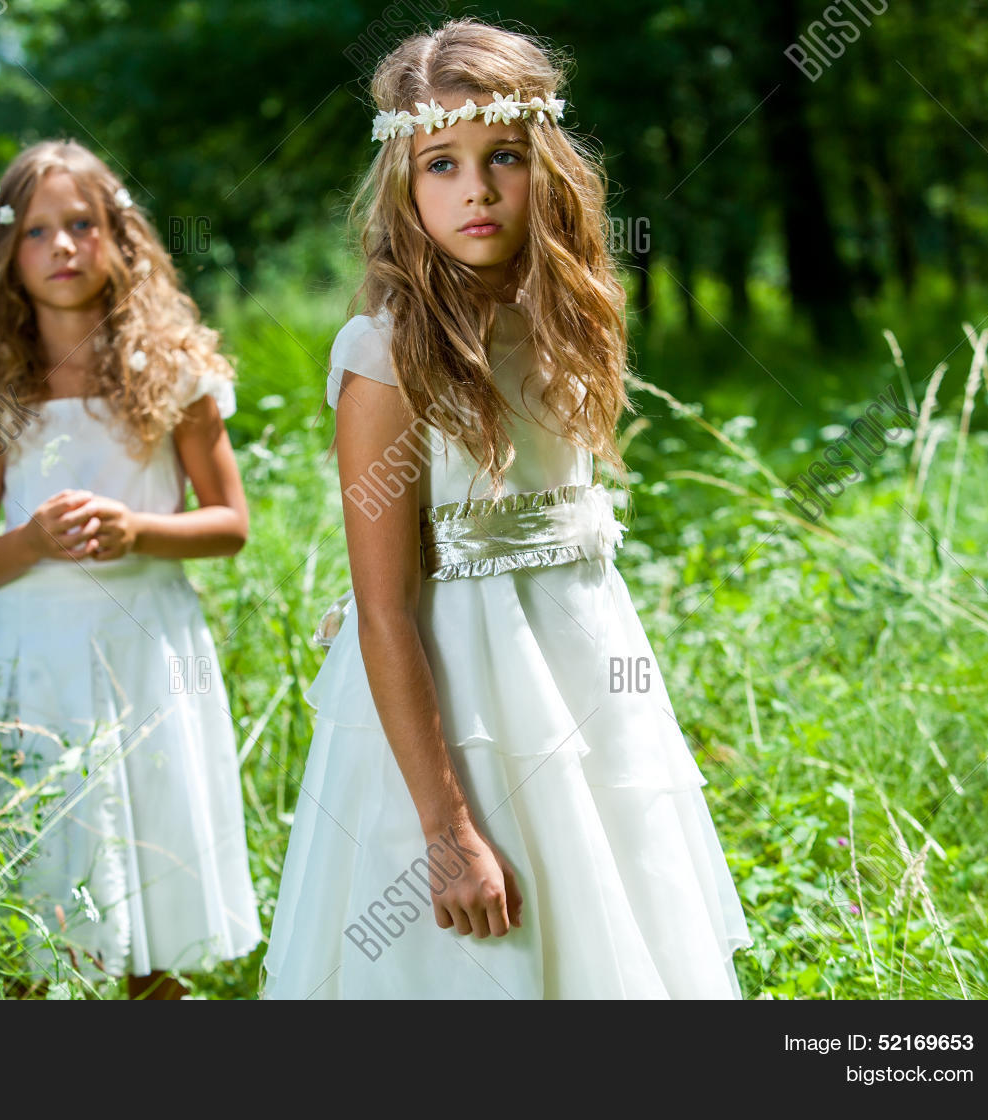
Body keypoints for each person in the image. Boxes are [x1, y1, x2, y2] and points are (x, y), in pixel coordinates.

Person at [263, 19, 751, 999]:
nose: (476, 190)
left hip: (586, 687)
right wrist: (447, 829)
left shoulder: (570, 321)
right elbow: (383, 610)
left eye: (505, 158)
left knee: (609, 936)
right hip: (459, 706)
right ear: (404, 182)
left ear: (547, 167)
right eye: (441, 163)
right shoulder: (384, 354)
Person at [0, 141, 261, 999]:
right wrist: (35, 541)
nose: (64, 247)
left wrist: (138, 529)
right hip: (38, 653)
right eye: (37, 232)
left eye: (82, 225)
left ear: (121, 238)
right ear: (7, 253)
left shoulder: (174, 372)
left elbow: (230, 525)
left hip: (149, 647)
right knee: (40, 875)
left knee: (154, 864)